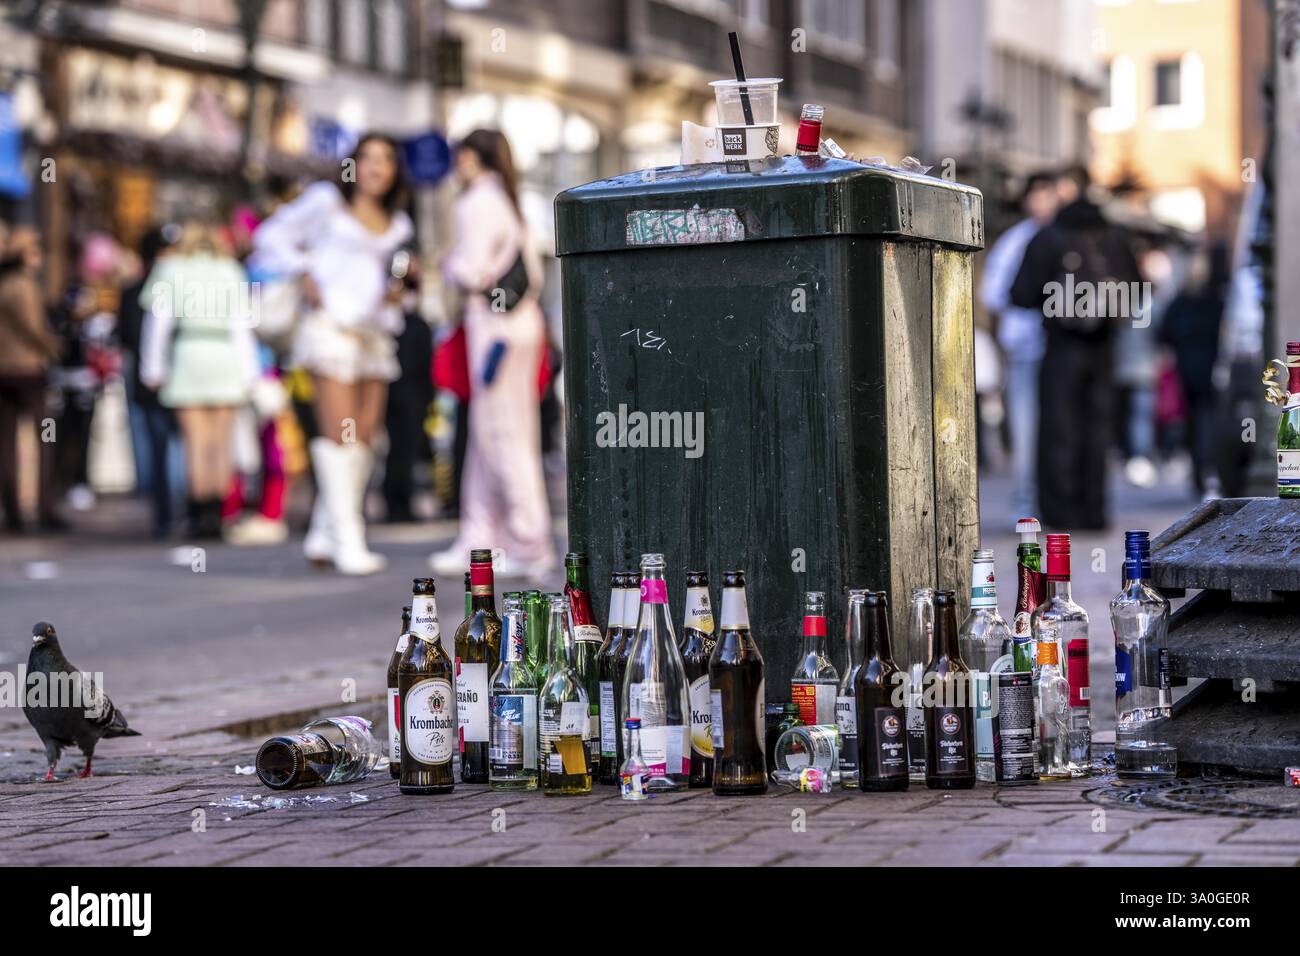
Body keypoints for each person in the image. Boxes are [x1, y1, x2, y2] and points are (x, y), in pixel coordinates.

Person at [253, 133, 413, 574]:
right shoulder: (325, 201)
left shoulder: (399, 222)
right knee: (339, 437)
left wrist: (401, 290)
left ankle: (325, 533)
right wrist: (304, 270)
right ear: (353, 164)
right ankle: (350, 537)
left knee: (364, 440)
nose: (377, 168)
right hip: (328, 331)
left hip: (375, 333)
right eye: (368, 158)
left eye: (387, 159)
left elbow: (390, 284)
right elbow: (271, 235)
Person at [428, 129, 554, 579]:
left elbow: (470, 269)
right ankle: (482, 538)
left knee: (501, 436)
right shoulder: (509, 201)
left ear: (467, 158)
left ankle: (525, 539)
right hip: (517, 324)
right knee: (498, 435)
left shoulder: (477, 202)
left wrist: (445, 264)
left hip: (495, 327)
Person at [1010, 166, 1141, 530]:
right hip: (1104, 349)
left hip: (1060, 348)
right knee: (1098, 431)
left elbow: (1019, 294)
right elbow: (1136, 291)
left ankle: (1061, 512)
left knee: (1058, 428)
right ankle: (1094, 511)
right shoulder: (1115, 238)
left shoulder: (1048, 236)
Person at [140, 223, 257, 539]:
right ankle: (216, 515)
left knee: (196, 442)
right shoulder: (230, 270)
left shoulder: (170, 269)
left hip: (189, 354)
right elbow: (241, 327)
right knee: (220, 444)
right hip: (224, 356)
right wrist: (250, 374)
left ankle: (197, 512)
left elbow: (158, 324)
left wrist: (152, 369)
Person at [980, 172, 1059, 512]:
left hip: (1056, 347)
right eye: (1037, 195)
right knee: (1027, 426)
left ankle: (1050, 499)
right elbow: (992, 293)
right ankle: (1027, 499)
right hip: (1027, 346)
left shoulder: (1051, 237)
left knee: (1051, 426)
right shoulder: (1016, 241)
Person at [117, 224, 183, 538]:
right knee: (162, 446)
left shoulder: (157, 288)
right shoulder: (139, 291)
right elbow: (130, 336)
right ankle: (170, 513)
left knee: (171, 447)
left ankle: (176, 513)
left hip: (172, 380)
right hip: (159, 381)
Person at [0, 222, 63, 532]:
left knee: (7, 441)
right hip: (27, 370)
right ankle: (44, 507)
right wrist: (55, 347)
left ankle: (13, 510)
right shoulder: (22, 286)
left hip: (5, 370)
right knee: (45, 436)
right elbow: (34, 328)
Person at [1159, 245, 1228, 498]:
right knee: (1207, 421)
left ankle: (1199, 472)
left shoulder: (1181, 302)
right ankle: (1207, 470)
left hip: (1187, 370)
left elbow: (1164, 332)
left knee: (1192, 423)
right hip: (1209, 369)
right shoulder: (1216, 301)